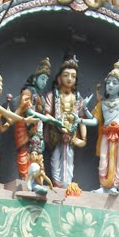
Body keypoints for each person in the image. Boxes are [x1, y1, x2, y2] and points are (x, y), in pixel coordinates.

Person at [44, 55, 95, 187]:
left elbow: (82, 120)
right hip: (55, 134)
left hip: (71, 136)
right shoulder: (52, 95)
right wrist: (57, 123)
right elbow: (46, 115)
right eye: (66, 75)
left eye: (73, 76)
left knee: (69, 160)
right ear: (59, 78)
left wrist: (83, 139)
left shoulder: (78, 98)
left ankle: (66, 185)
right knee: (55, 159)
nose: (69, 79)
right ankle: (56, 184)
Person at [92, 59, 119, 194]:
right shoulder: (102, 104)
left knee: (118, 160)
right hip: (106, 133)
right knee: (103, 159)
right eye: (108, 83)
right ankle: (103, 186)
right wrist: (81, 119)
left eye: (114, 83)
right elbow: (94, 121)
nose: (110, 85)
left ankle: (114, 186)